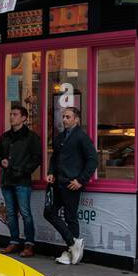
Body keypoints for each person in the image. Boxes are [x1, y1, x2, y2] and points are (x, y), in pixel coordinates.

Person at [45, 105, 98, 265]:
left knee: (70, 217)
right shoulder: (59, 138)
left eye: (68, 117)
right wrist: (51, 172)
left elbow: (92, 160)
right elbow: (54, 158)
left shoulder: (81, 137)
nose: (64, 120)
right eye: (63, 117)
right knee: (49, 212)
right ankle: (73, 244)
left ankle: (70, 252)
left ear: (76, 119)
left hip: (71, 184)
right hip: (58, 183)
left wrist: (81, 180)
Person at [0, 104, 42, 257]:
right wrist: (1, 161)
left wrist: (22, 170)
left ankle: (29, 244)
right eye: (10, 114)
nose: (11, 117)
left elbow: (37, 159)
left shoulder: (31, 137)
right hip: (7, 180)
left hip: (22, 181)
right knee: (10, 212)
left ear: (23, 118)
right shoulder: (5, 136)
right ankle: (14, 241)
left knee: (25, 212)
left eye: (15, 114)